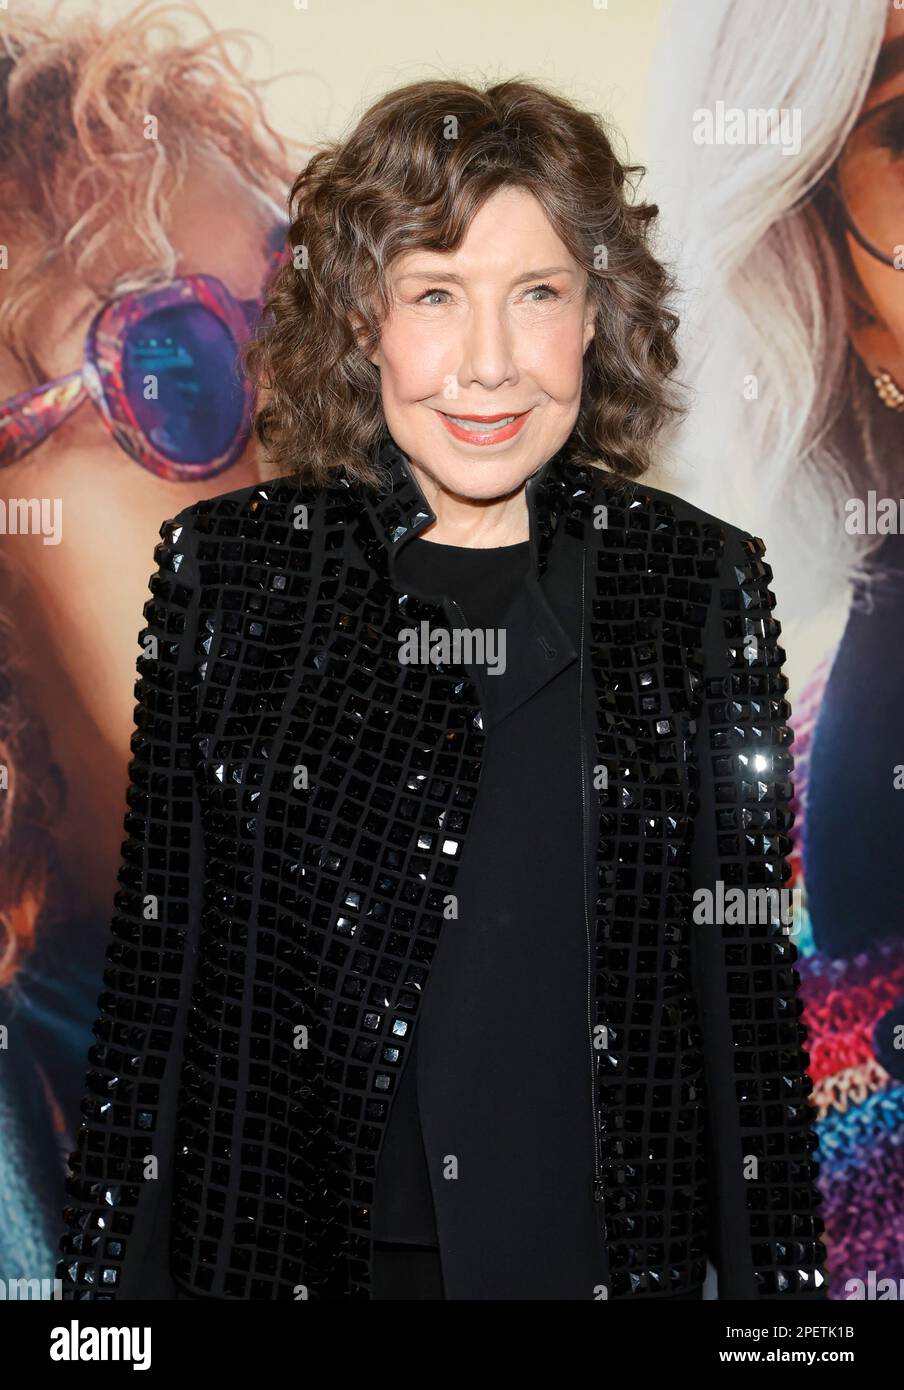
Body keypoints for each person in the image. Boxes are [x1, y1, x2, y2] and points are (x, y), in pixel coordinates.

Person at [57, 76, 829, 1301]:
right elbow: (160, 998)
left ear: (594, 315)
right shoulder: (232, 578)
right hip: (299, 1266)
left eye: (536, 296)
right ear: (364, 324)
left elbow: (743, 1025)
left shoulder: (692, 584)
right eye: (434, 295)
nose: (487, 363)